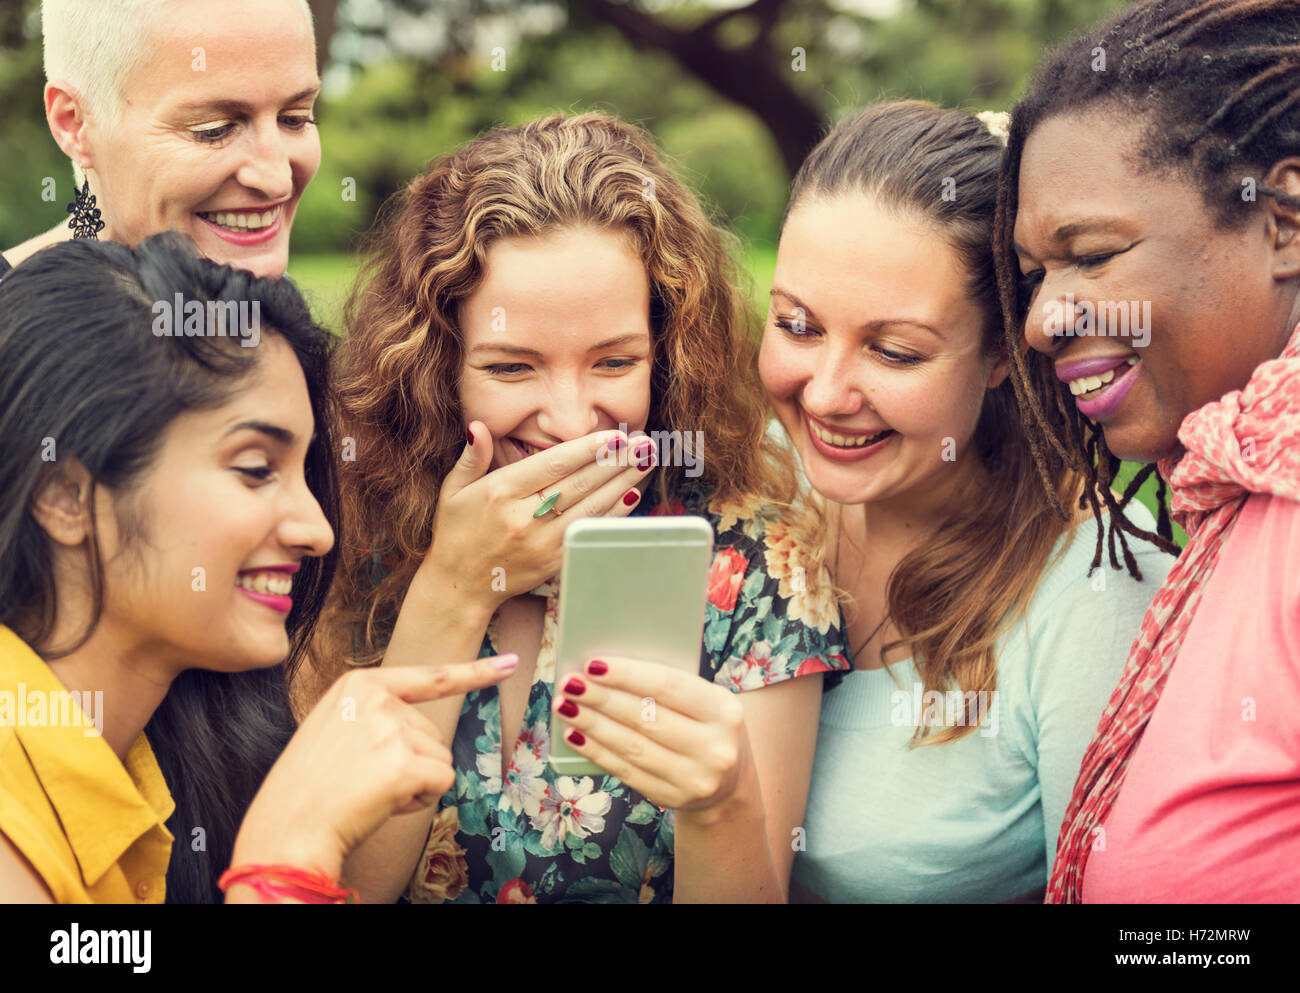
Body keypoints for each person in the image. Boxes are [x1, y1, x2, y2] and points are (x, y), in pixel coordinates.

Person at [302, 111, 852, 904]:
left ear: (668, 353)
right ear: (438, 367)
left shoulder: (757, 564)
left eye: (614, 360)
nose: (568, 419)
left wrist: (721, 799)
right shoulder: (360, 542)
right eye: (512, 366)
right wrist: (455, 584)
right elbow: (343, 888)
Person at [0, 234, 513, 903]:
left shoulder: (146, 770)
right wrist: (284, 859)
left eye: (303, 471)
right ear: (65, 496)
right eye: (254, 469)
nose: (317, 530)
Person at [766, 102, 1173, 903]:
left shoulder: (1095, 593)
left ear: (998, 352)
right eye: (797, 325)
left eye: (894, 350)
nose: (825, 393)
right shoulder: (759, 486)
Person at [995, 0, 1300, 903]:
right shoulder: (1232, 494)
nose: (1045, 321)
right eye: (1033, 276)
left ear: (1282, 223)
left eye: (1091, 254)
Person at [0, 0, 320, 280]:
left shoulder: (287, 331)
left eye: (295, 119)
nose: (277, 180)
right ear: (74, 124)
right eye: (213, 129)